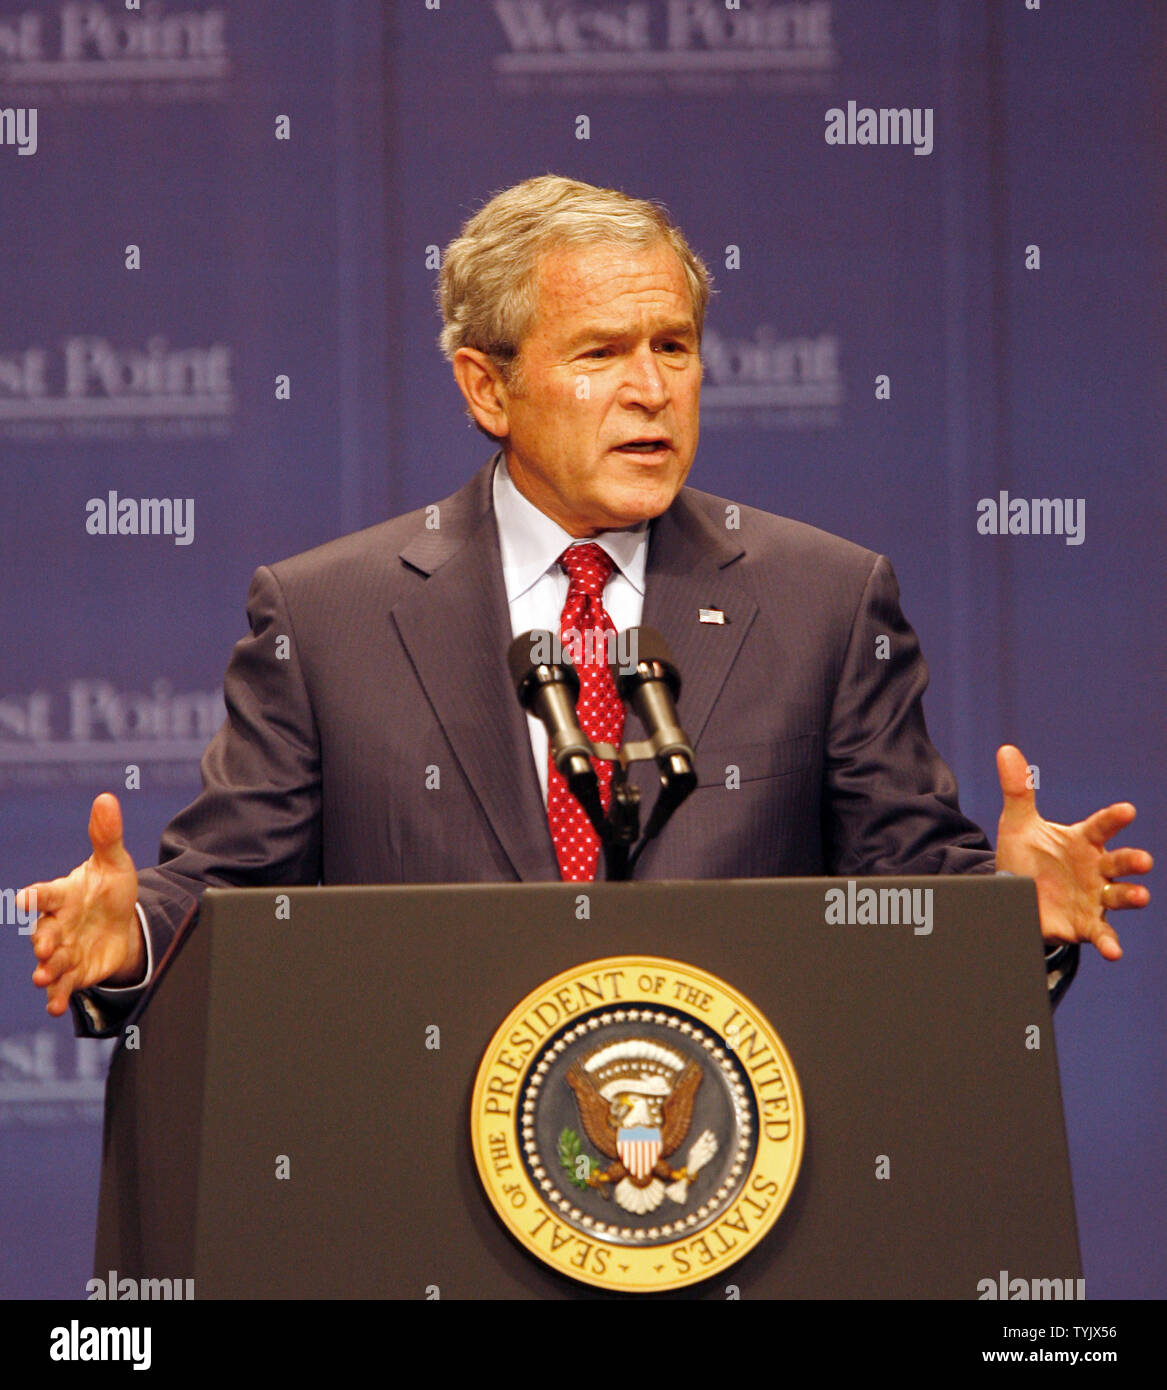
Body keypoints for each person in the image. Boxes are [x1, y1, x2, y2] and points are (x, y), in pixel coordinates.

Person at [20, 176, 1151, 1039]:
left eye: (675, 347)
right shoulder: (327, 619)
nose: (651, 389)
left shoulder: (825, 599)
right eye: (601, 352)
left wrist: (1007, 913)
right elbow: (228, 886)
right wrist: (133, 935)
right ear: (487, 386)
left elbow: (908, 892)